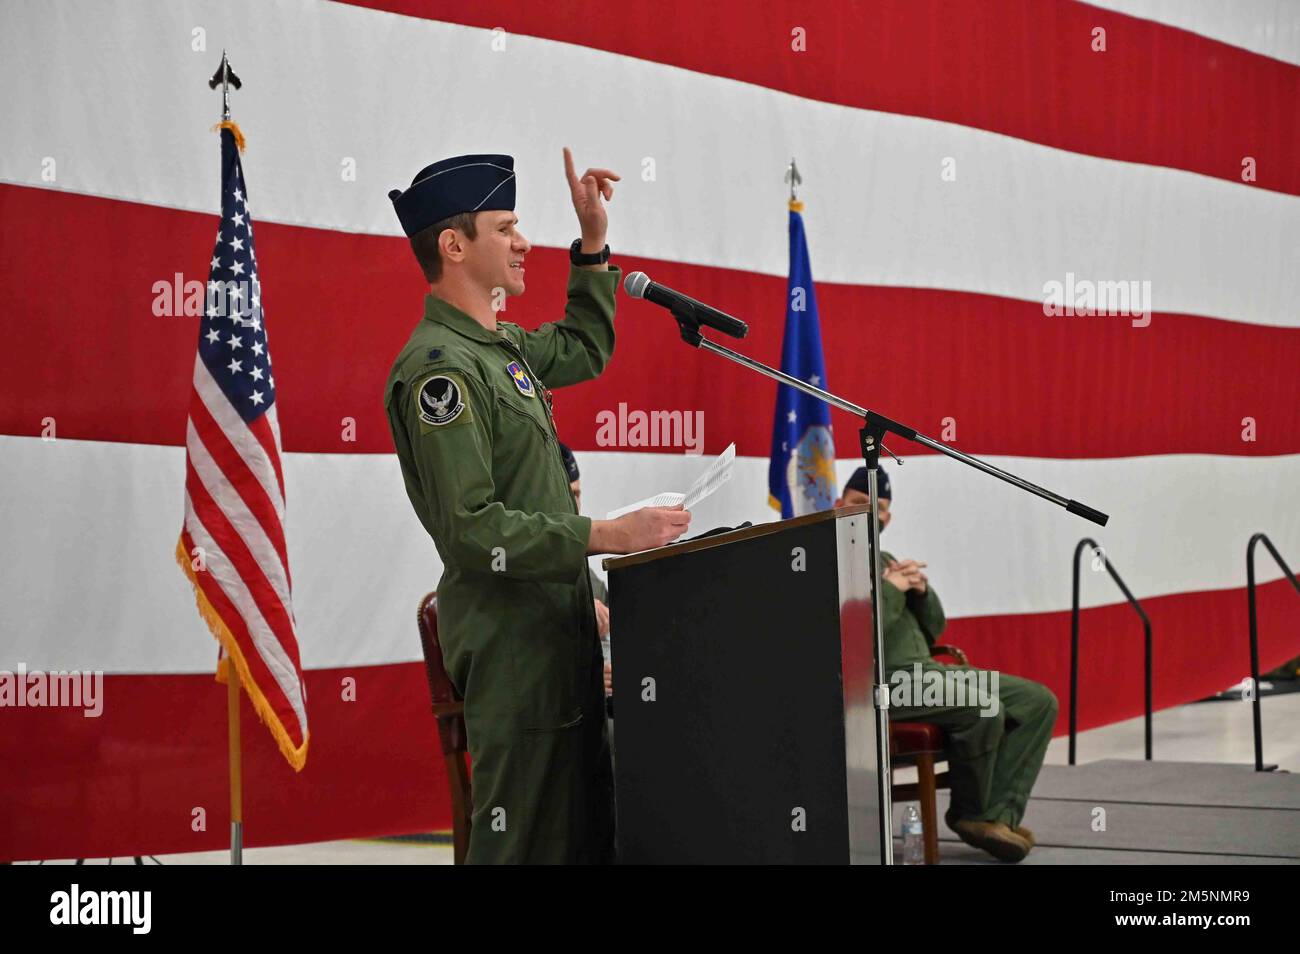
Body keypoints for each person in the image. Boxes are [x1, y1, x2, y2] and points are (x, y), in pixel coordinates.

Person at [383, 150, 690, 863]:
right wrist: (610, 532)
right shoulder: (442, 372)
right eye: (507, 227)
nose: (525, 243)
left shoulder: (500, 346)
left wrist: (590, 244)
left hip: (559, 626)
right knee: (521, 839)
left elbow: (584, 346)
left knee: (581, 834)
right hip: (512, 641)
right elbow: (471, 529)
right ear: (454, 246)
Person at [834, 467, 1058, 863]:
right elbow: (851, 638)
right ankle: (971, 815)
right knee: (982, 708)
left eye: (880, 508)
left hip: (928, 672)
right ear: (839, 504)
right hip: (883, 681)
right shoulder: (833, 560)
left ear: (888, 517)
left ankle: (997, 817)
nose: (871, 512)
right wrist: (890, 589)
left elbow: (934, 630)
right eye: (859, 503)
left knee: (1038, 701)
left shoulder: (883, 558)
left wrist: (921, 591)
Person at [557, 442, 612, 700]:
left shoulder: (590, 579)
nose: (573, 505)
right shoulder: (508, 567)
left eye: (576, 495)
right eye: (564, 495)